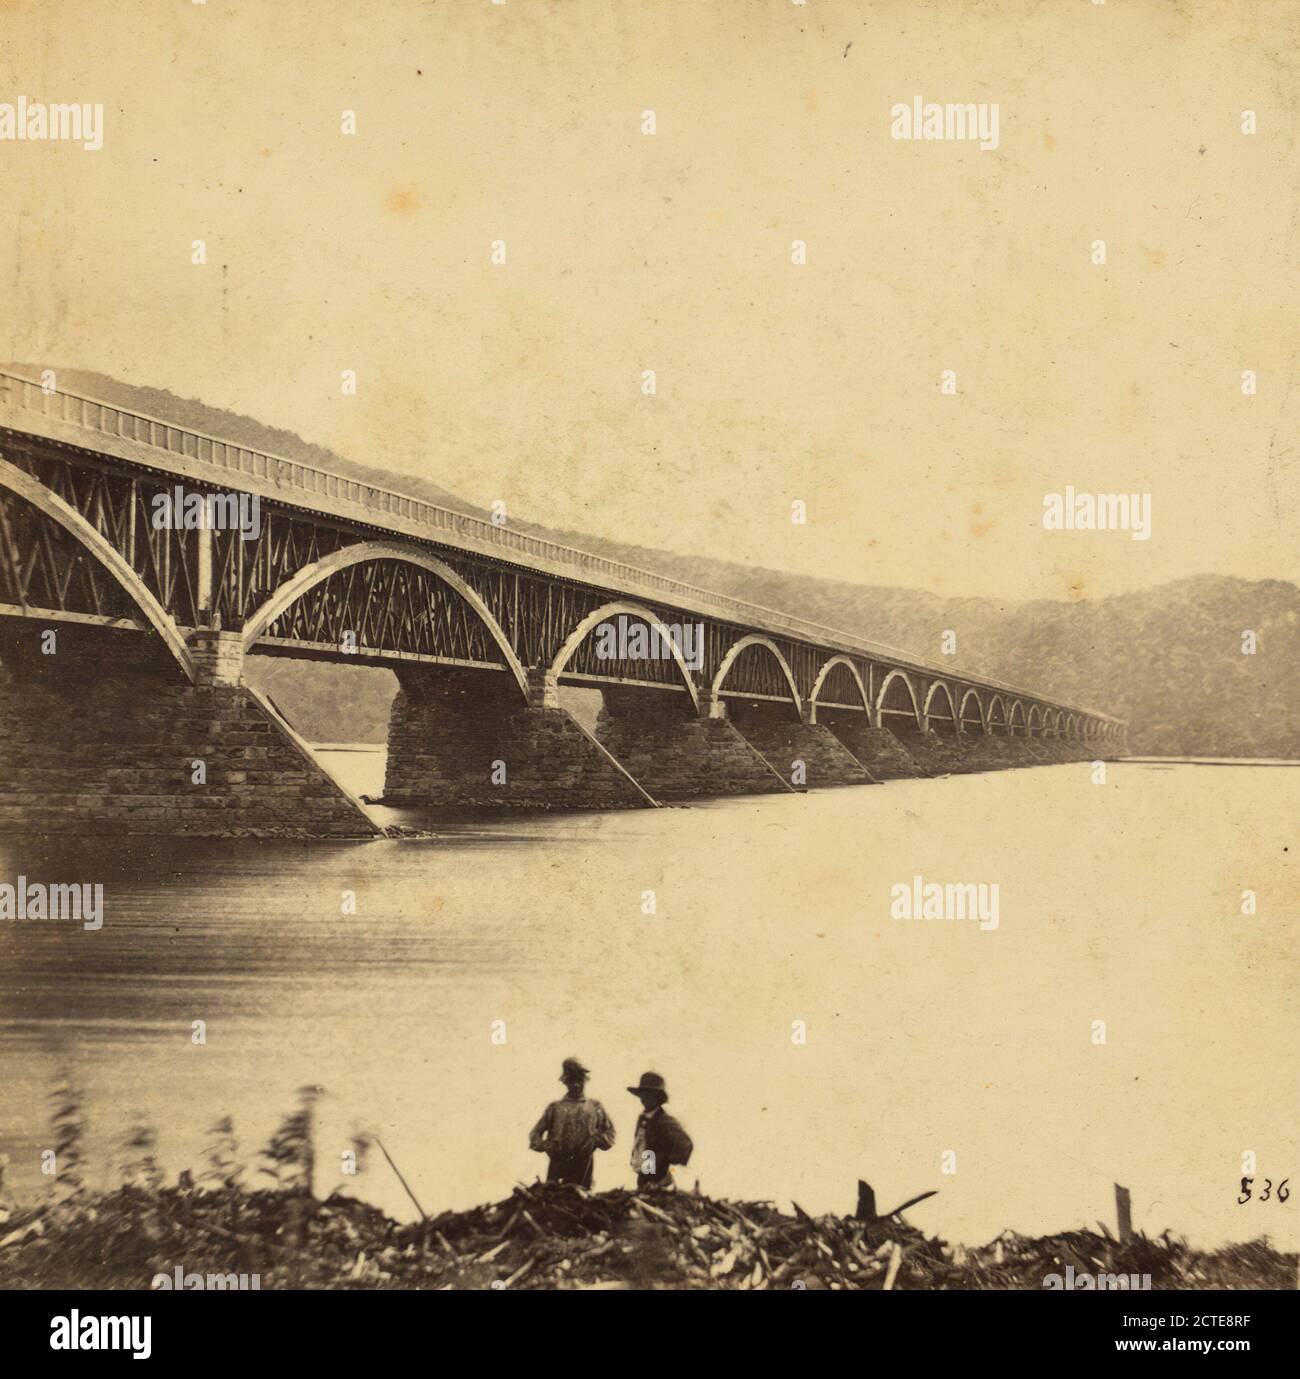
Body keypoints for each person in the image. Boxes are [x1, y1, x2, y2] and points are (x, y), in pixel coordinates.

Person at [528, 1057, 615, 1188]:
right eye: (571, 1081)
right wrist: (546, 1145)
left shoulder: (595, 1107)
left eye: (579, 1080)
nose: (576, 1085)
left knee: (582, 1202)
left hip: (583, 1166)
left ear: (585, 1081)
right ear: (566, 1082)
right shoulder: (555, 1108)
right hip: (558, 1164)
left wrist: (595, 1141)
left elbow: (610, 1133)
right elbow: (535, 1134)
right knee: (554, 1201)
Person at [627, 1071, 692, 1190]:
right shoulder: (643, 1118)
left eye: (650, 1094)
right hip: (643, 1178)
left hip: (658, 1181)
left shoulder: (664, 1120)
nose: (645, 1098)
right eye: (643, 1094)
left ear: (658, 1097)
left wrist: (663, 1159)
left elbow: (686, 1144)